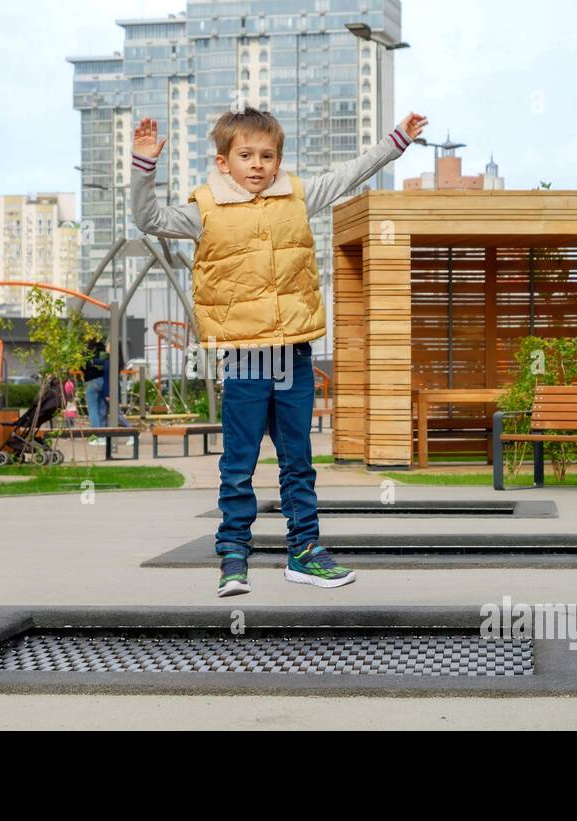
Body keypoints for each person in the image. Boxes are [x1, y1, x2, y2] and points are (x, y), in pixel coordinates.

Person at [132, 105, 427, 596]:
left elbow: (350, 174)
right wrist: (144, 165)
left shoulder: (296, 197)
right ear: (223, 161)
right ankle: (232, 553)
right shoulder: (203, 208)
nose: (257, 165)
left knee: (298, 459)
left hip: (293, 353)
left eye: (267, 156)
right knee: (239, 460)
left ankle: (305, 552)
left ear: (278, 160)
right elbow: (148, 218)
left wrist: (397, 139)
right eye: (245, 155)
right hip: (247, 357)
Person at [82, 337, 108, 445]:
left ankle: (96, 436)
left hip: (91, 382)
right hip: (103, 380)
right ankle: (103, 436)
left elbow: (82, 367)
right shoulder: (103, 352)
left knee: (93, 409)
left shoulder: (85, 354)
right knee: (102, 408)